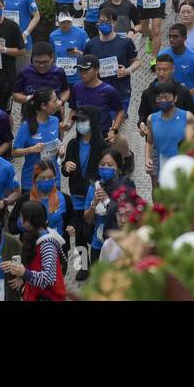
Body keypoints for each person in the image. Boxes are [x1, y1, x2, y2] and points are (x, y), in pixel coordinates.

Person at [62, 110, 106, 281]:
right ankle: (83, 265)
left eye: (83, 121)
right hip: (76, 196)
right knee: (79, 235)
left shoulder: (102, 147)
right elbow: (65, 170)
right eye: (77, 121)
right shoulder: (73, 144)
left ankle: (98, 264)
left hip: (94, 197)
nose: (80, 125)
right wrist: (66, 166)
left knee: (96, 232)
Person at [83, 10, 139, 115]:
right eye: (101, 21)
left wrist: (127, 71)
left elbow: (136, 61)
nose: (104, 24)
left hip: (121, 92)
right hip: (98, 93)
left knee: (116, 127)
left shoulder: (125, 42)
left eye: (108, 21)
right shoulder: (91, 45)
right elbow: (85, 67)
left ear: (114, 22)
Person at [13, 89, 62, 192]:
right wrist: (31, 149)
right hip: (31, 182)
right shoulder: (27, 126)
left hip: (53, 179)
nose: (57, 103)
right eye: (54, 101)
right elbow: (14, 152)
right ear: (43, 106)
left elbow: (58, 143)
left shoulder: (55, 121)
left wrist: (61, 149)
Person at [145, 82, 194, 185]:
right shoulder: (151, 119)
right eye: (159, 98)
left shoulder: (187, 117)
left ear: (175, 98)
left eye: (166, 97)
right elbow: (149, 142)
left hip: (182, 165)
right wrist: (147, 159)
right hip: (161, 165)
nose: (163, 101)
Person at [16, 199, 66, 301]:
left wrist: (25, 273)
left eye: (21, 217)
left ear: (29, 221)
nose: (20, 220)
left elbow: (48, 279)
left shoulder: (47, 245)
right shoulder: (31, 237)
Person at [68, 55, 124, 143]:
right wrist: (68, 125)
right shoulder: (76, 88)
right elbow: (74, 110)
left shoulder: (109, 90)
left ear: (97, 70)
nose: (82, 73)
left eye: (86, 69)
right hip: (81, 135)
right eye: (80, 70)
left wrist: (114, 130)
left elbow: (120, 112)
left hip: (102, 135)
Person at [156, 24, 194, 104]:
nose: (171, 39)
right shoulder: (162, 55)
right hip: (167, 102)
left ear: (184, 38)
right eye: (170, 36)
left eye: (176, 36)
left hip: (188, 103)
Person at [12, 43, 71, 108]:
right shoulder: (25, 72)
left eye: (45, 62)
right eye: (37, 62)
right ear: (32, 59)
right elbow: (15, 95)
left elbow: (66, 91)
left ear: (52, 59)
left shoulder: (59, 72)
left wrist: (61, 101)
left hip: (54, 113)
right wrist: (28, 99)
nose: (41, 65)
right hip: (30, 113)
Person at [21, 160, 66, 239]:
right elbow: (13, 225)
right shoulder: (25, 199)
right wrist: (22, 225)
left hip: (56, 244)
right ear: (35, 179)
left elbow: (70, 219)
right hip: (32, 245)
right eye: (42, 178)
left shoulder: (64, 198)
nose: (46, 181)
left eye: (50, 177)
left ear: (55, 177)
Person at [51, 11, 89, 86]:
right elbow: (51, 56)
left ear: (72, 20)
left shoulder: (81, 33)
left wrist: (79, 53)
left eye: (68, 22)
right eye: (63, 22)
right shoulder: (53, 36)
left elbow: (90, 54)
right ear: (58, 22)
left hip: (78, 78)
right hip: (59, 77)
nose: (66, 25)